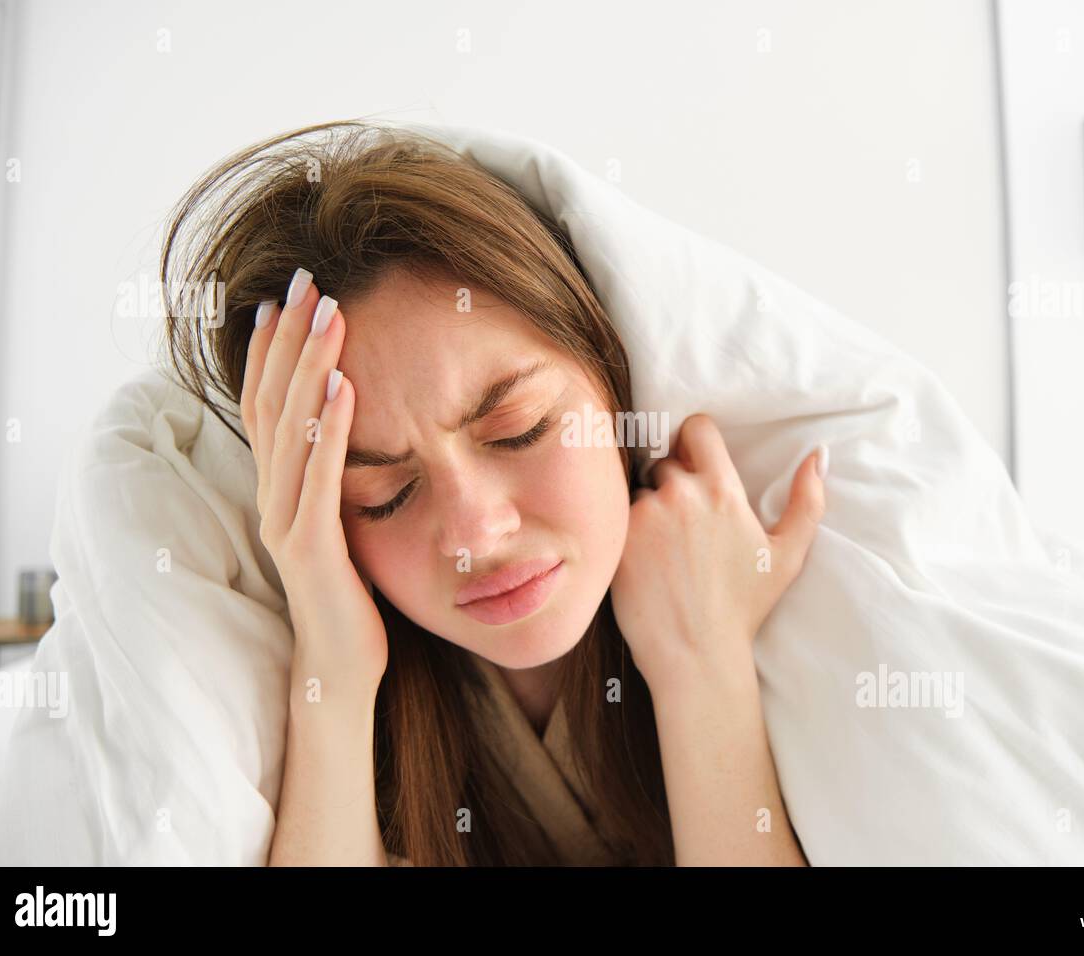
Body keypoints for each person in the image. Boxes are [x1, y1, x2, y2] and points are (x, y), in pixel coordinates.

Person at [159, 120, 826, 866]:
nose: (475, 533)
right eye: (384, 493)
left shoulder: (789, 625)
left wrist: (702, 665)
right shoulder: (296, 690)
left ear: (610, 378)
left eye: (518, 429)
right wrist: (333, 665)